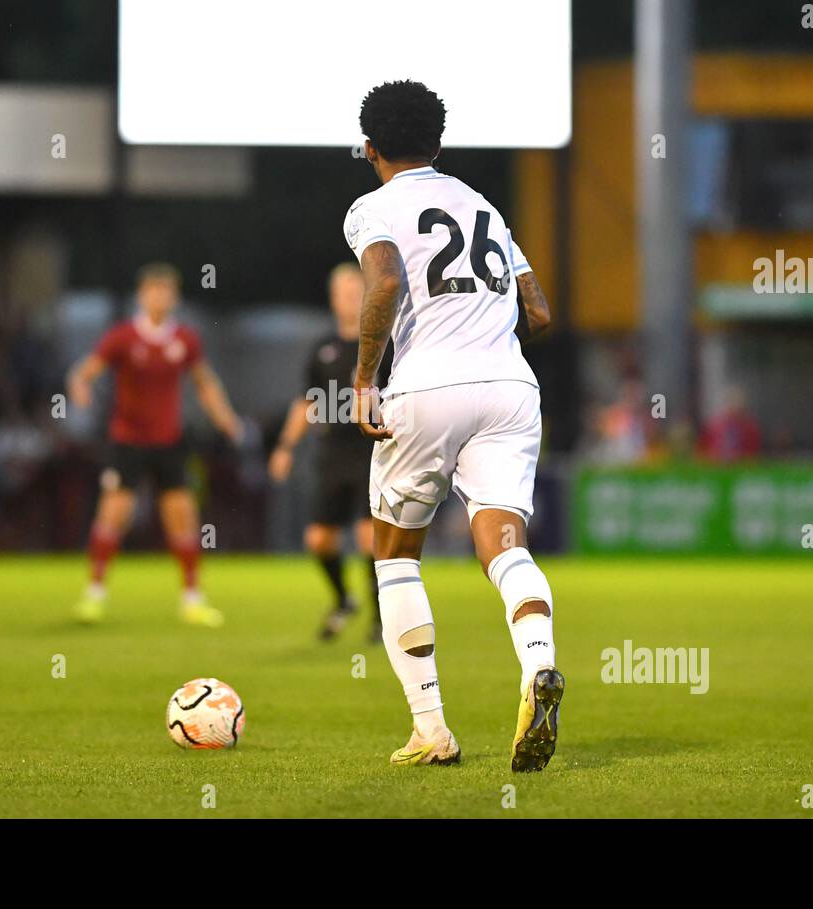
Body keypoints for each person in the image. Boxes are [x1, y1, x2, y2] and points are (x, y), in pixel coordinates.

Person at [344, 80, 562, 771]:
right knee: (505, 544)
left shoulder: (372, 207)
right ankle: (539, 666)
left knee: (396, 555)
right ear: (439, 144)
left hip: (427, 386)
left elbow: (382, 284)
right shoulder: (484, 206)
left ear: (370, 148)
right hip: (508, 386)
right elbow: (541, 308)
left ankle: (431, 729)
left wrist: (362, 378)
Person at [66, 263, 243, 627]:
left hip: (169, 441)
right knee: (114, 513)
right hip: (127, 441)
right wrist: (80, 387)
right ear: (143, 295)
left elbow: (204, 383)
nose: (160, 297)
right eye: (153, 290)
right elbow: (83, 372)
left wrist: (225, 417)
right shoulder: (123, 337)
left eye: (166, 291)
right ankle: (94, 594)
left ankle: (192, 599)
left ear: (174, 297)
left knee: (182, 516)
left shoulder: (186, 340)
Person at [269, 263, 391, 642]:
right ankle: (343, 600)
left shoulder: (382, 342)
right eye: (341, 292)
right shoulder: (322, 348)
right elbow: (307, 402)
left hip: (373, 452)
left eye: (356, 292)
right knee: (319, 540)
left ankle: (379, 618)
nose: (348, 299)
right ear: (333, 298)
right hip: (332, 453)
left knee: (368, 537)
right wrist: (286, 447)